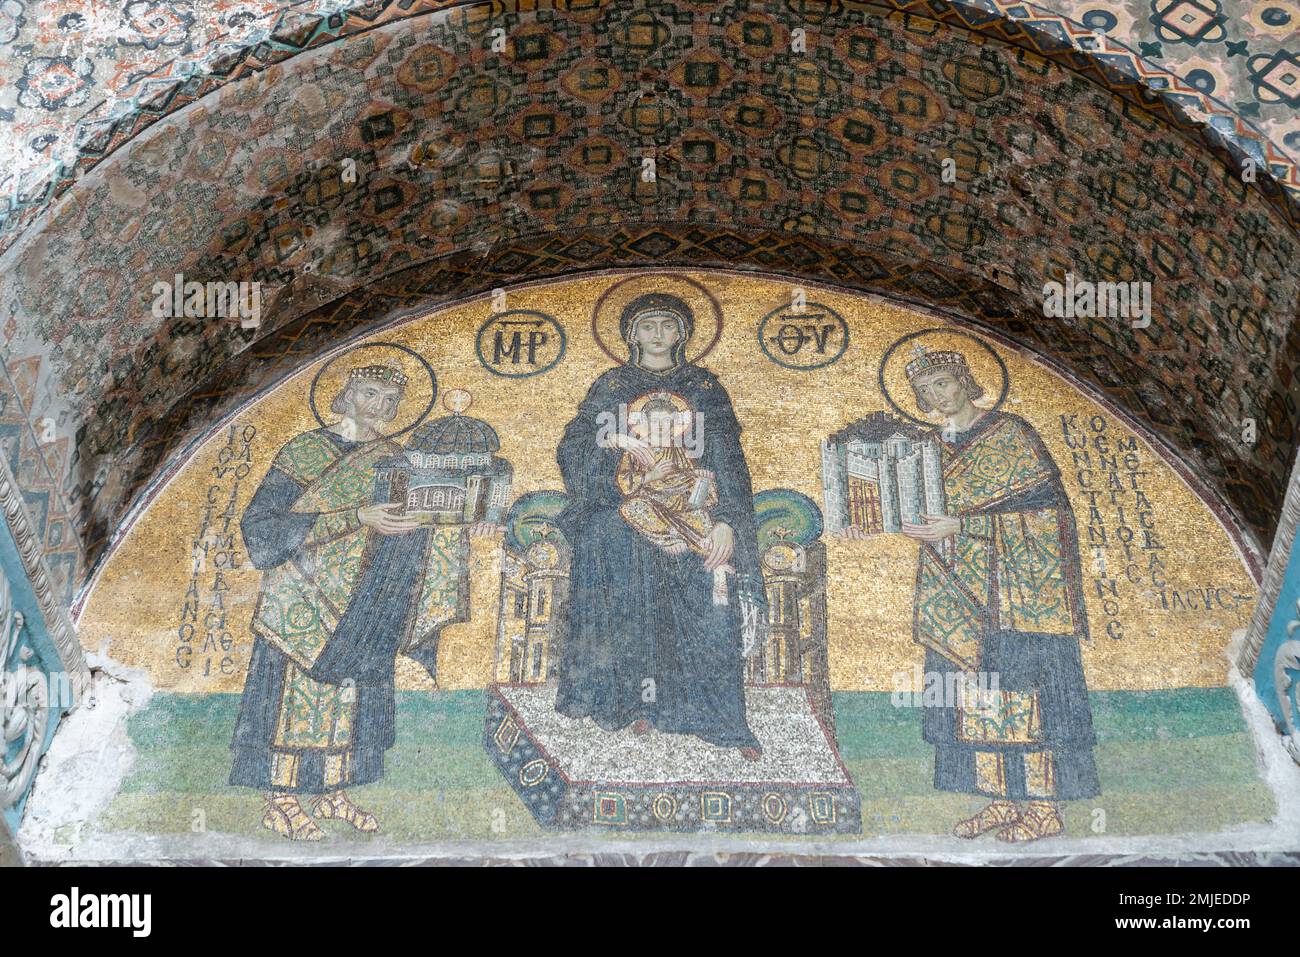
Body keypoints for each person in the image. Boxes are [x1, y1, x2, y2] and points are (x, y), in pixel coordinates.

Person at [875, 344, 1098, 842]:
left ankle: (1042, 806)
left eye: (944, 383)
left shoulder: (1011, 435)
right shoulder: (927, 446)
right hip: (955, 590)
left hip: (1018, 593)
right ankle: (999, 801)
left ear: (966, 381)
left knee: (1024, 695)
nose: (937, 394)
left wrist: (964, 525)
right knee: (974, 697)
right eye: (926, 389)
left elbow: (1051, 520)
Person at [554, 292, 765, 759]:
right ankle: (629, 702)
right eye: (646, 326)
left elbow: (728, 460)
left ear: (683, 334)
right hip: (625, 509)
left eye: (666, 326)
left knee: (711, 578)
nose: (656, 335)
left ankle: (717, 720)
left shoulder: (704, 388)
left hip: (695, 511)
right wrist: (618, 446)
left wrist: (728, 521)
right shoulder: (611, 386)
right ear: (631, 334)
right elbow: (574, 449)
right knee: (612, 544)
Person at [229, 364, 434, 841]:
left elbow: (407, 523)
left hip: (363, 598)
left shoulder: (395, 459)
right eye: (370, 392)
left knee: (348, 694)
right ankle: (280, 799)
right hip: (301, 595)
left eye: (389, 398)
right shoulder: (303, 452)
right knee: (293, 696)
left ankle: (331, 790)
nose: (380, 405)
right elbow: (263, 528)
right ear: (344, 395)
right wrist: (356, 515)